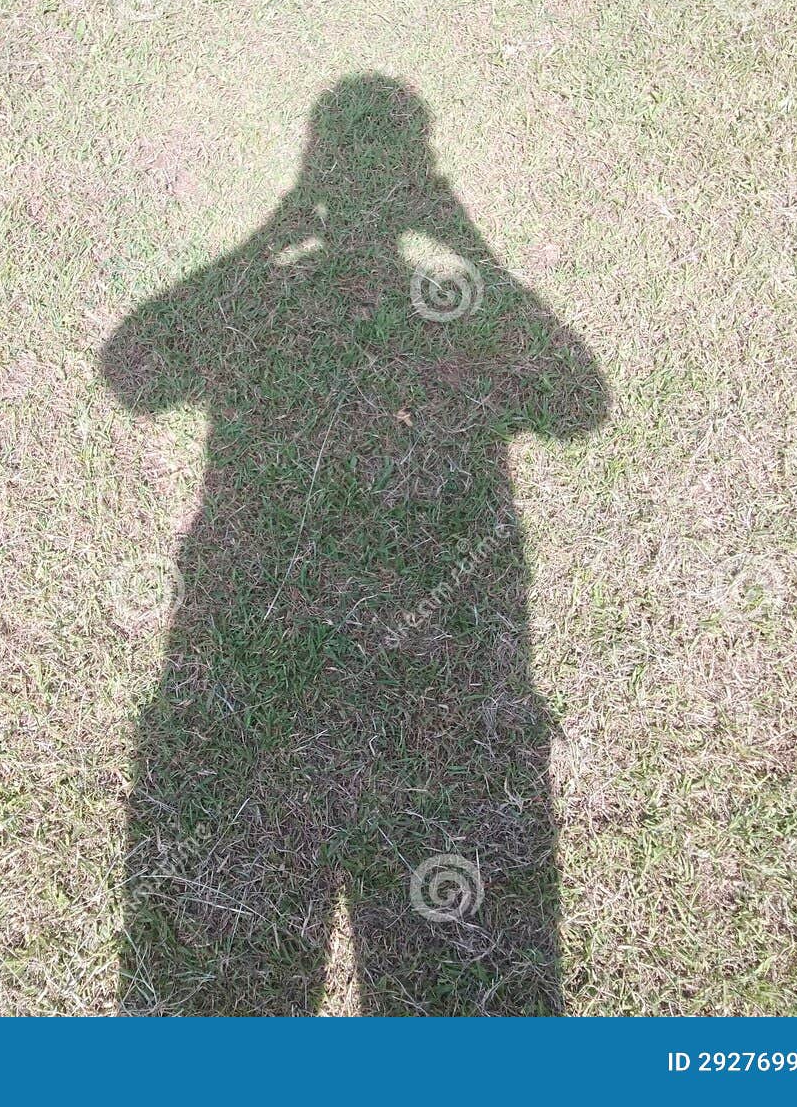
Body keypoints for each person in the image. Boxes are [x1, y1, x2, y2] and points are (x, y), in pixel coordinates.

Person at [103, 74, 609, 1014]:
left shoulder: (283, 291)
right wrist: (467, 246)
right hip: (442, 664)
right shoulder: (437, 301)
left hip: (261, 641)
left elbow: (136, 366)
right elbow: (574, 400)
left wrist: (271, 236)